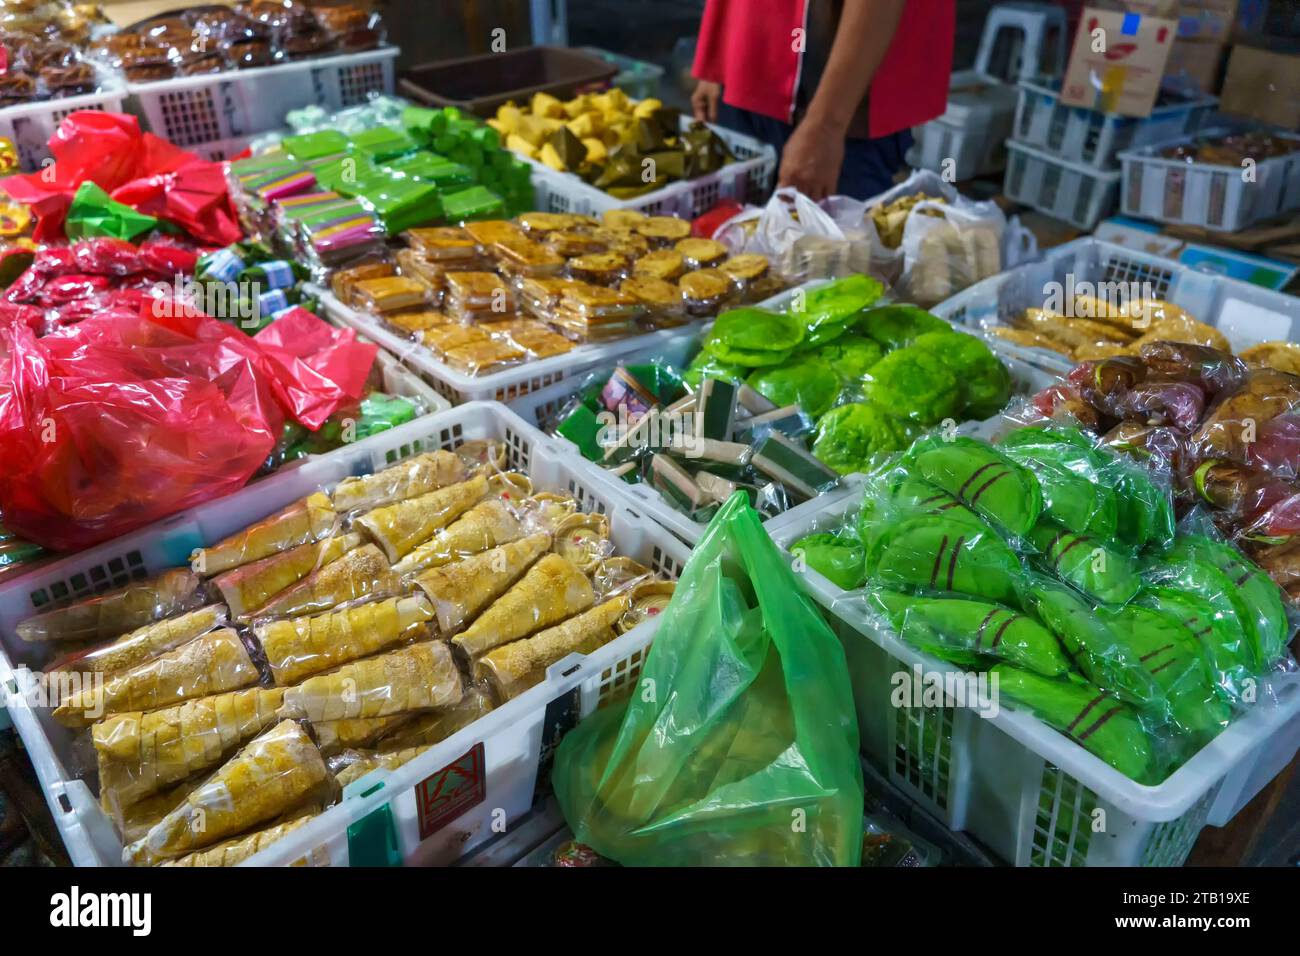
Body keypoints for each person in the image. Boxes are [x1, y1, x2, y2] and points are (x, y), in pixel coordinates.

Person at [691, 0, 955, 200]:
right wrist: (717, 53)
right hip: (746, 67)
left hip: (834, 100)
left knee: (829, 257)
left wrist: (826, 126)